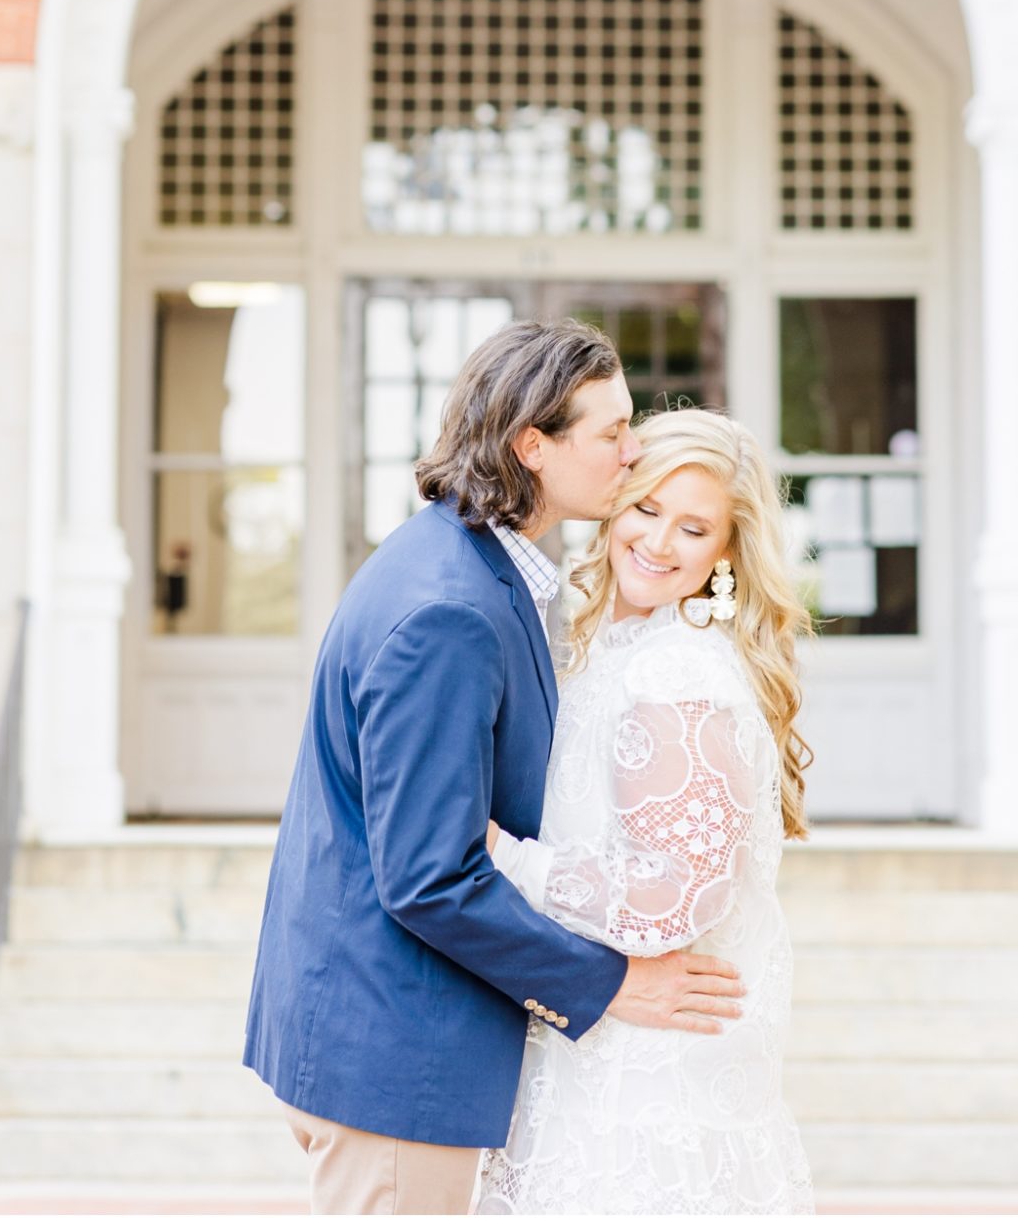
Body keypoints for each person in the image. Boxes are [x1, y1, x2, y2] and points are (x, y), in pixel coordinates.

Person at [243, 321, 745, 1217]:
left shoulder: (470, 565)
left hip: (391, 1043)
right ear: (532, 446)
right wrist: (614, 983)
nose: (632, 454)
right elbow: (431, 879)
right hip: (394, 1057)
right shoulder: (451, 609)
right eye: (611, 432)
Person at [477, 408, 816, 1216]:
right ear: (613, 505)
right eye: (647, 509)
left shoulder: (678, 672)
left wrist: (505, 857)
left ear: (727, 552)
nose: (659, 543)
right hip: (604, 1036)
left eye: (694, 528)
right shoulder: (613, 649)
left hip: (650, 1067)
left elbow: (679, 891)